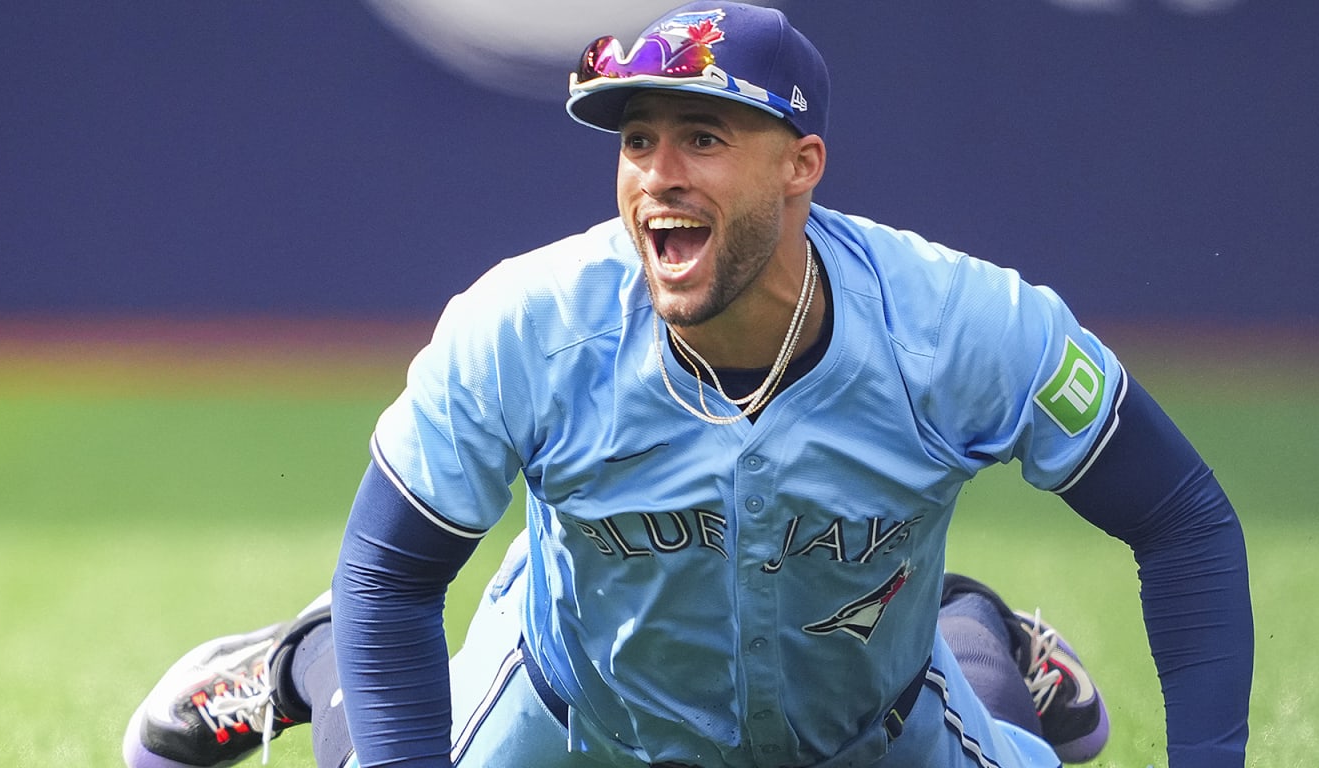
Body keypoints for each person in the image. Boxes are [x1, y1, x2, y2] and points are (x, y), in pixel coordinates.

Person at [122, 3, 1253, 767]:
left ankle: (974, 632)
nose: (657, 175)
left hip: (867, 724)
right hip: (575, 718)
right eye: (638, 140)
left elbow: (1184, 520)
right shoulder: (528, 324)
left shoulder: (960, 325)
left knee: (931, 694)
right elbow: (390, 575)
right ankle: (292, 661)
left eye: (702, 137)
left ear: (801, 166)